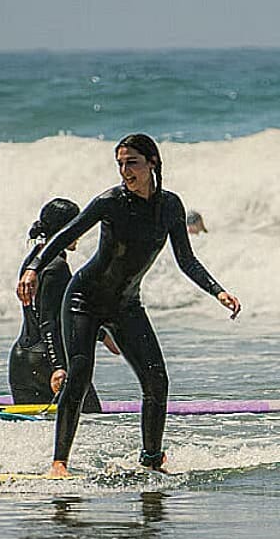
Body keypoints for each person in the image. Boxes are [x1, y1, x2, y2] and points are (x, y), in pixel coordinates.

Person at [16, 133, 241, 477]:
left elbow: (186, 259)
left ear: (152, 163)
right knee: (79, 375)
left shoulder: (169, 207)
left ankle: (151, 458)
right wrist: (33, 267)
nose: (125, 171)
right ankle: (59, 462)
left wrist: (217, 291)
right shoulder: (110, 202)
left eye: (132, 163)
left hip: (125, 305)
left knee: (157, 381)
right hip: (84, 300)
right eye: (120, 164)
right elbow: (63, 235)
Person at [9, 198, 120, 408]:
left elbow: (54, 312)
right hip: (47, 364)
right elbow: (50, 322)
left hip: (22, 360)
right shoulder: (56, 267)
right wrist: (59, 366)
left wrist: (101, 335)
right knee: (92, 423)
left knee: (33, 435)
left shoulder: (33, 259)